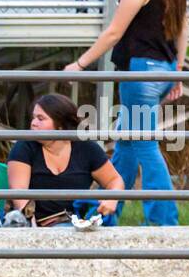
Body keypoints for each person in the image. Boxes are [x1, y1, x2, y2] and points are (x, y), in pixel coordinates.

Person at [65, 0, 186, 226]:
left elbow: (114, 32)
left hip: (140, 72)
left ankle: (164, 220)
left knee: (143, 143)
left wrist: (80, 63)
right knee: (127, 143)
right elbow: (183, 27)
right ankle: (103, 211)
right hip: (162, 69)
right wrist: (177, 69)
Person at [7, 93, 123, 225]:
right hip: (33, 223)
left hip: (73, 223)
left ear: (60, 125)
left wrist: (112, 199)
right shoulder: (24, 147)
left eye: (40, 119)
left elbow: (114, 180)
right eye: (33, 118)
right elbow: (19, 193)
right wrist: (33, 228)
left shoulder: (86, 148)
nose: (33, 123)